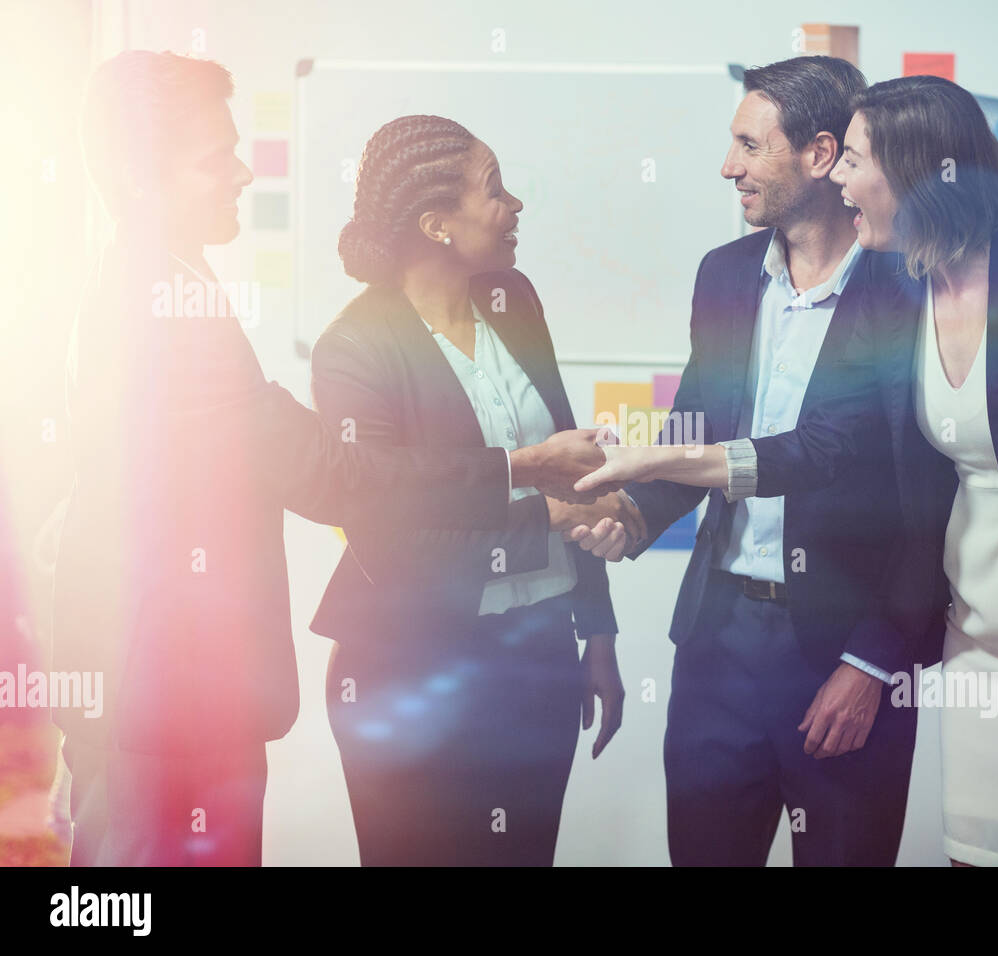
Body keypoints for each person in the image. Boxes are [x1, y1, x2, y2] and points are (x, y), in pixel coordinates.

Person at [578, 75, 998, 867]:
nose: (841, 182)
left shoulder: (995, 284)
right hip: (946, 642)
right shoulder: (881, 279)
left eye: (854, 161)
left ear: (892, 168)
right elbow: (747, 427)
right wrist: (633, 506)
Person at [55, 51, 609, 867]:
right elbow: (331, 475)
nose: (242, 173)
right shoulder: (168, 310)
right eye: (217, 158)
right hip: (163, 699)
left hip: (181, 696)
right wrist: (519, 470)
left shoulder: (173, 284)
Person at [570, 56, 934, 867]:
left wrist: (873, 660)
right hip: (717, 644)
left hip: (843, 651)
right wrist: (630, 515)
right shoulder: (725, 276)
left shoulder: (910, 291)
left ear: (818, 154)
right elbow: (695, 424)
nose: (727, 166)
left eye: (748, 144)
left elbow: (928, 496)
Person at [309, 115, 639, 865]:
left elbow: (570, 464)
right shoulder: (354, 349)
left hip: (537, 660)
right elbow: (390, 538)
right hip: (412, 672)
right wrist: (550, 518)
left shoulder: (511, 298)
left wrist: (599, 631)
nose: (514, 204)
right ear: (436, 224)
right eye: (494, 190)